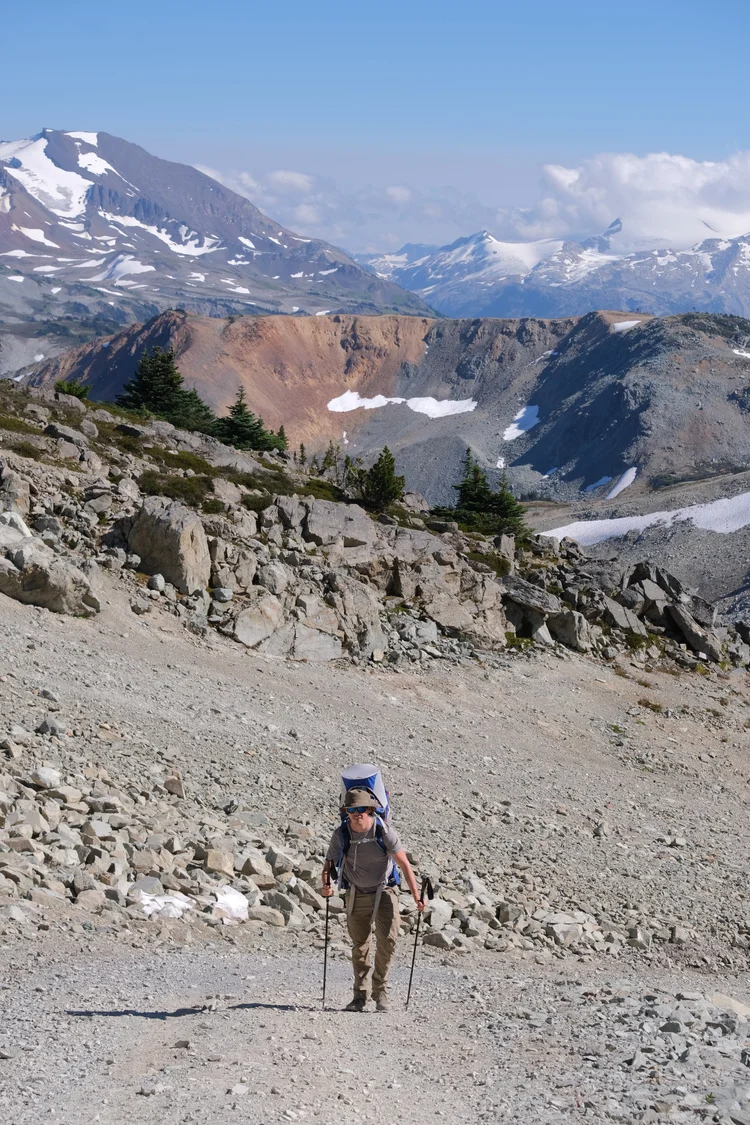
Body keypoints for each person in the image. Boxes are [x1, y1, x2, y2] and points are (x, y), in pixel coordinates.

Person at [321, 787, 424, 1013]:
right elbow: (329, 864)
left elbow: (404, 864)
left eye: (361, 809)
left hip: (385, 891)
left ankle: (380, 992)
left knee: (388, 941)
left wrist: (417, 896)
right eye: (352, 809)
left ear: (370, 809)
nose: (357, 813)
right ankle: (360, 995)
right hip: (356, 893)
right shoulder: (342, 834)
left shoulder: (382, 831)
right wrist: (326, 885)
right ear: (346, 811)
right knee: (360, 944)